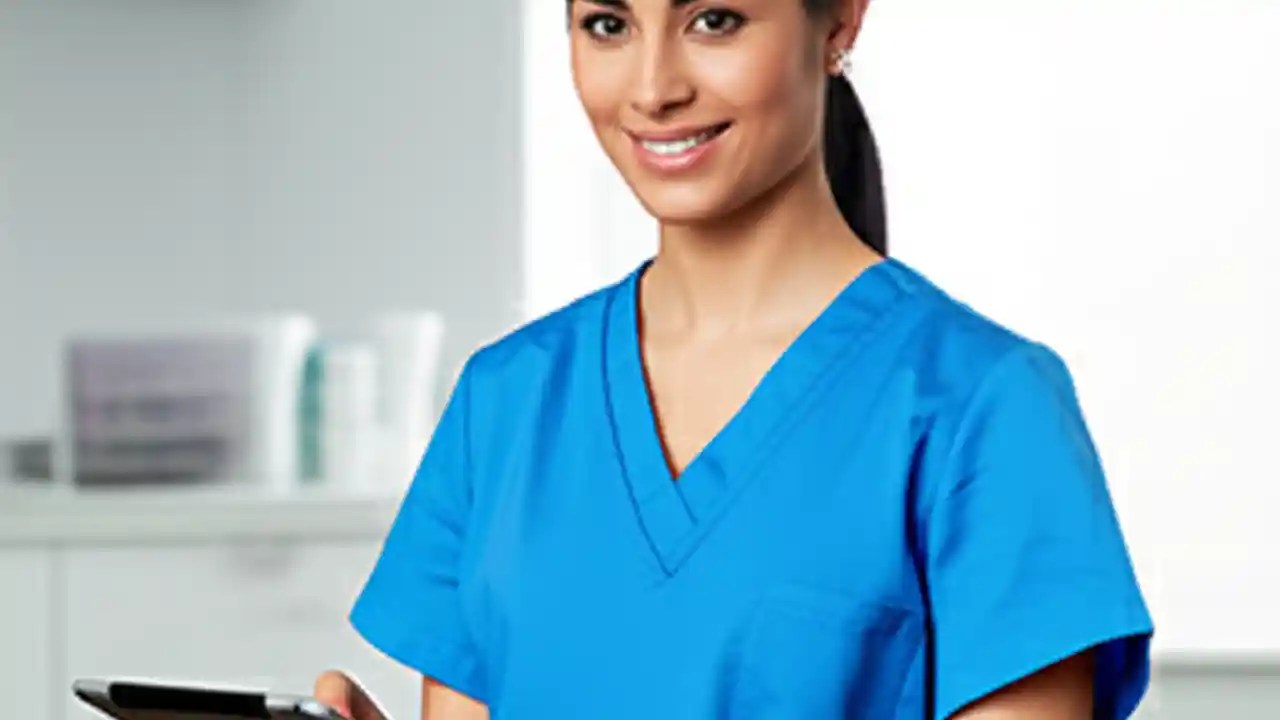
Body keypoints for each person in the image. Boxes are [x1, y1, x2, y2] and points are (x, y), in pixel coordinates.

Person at [314, 0, 1154, 717]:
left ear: (841, 20)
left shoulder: (985, 407)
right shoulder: (505, 401)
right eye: (608, 24)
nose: (652, 88)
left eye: (713, 20)